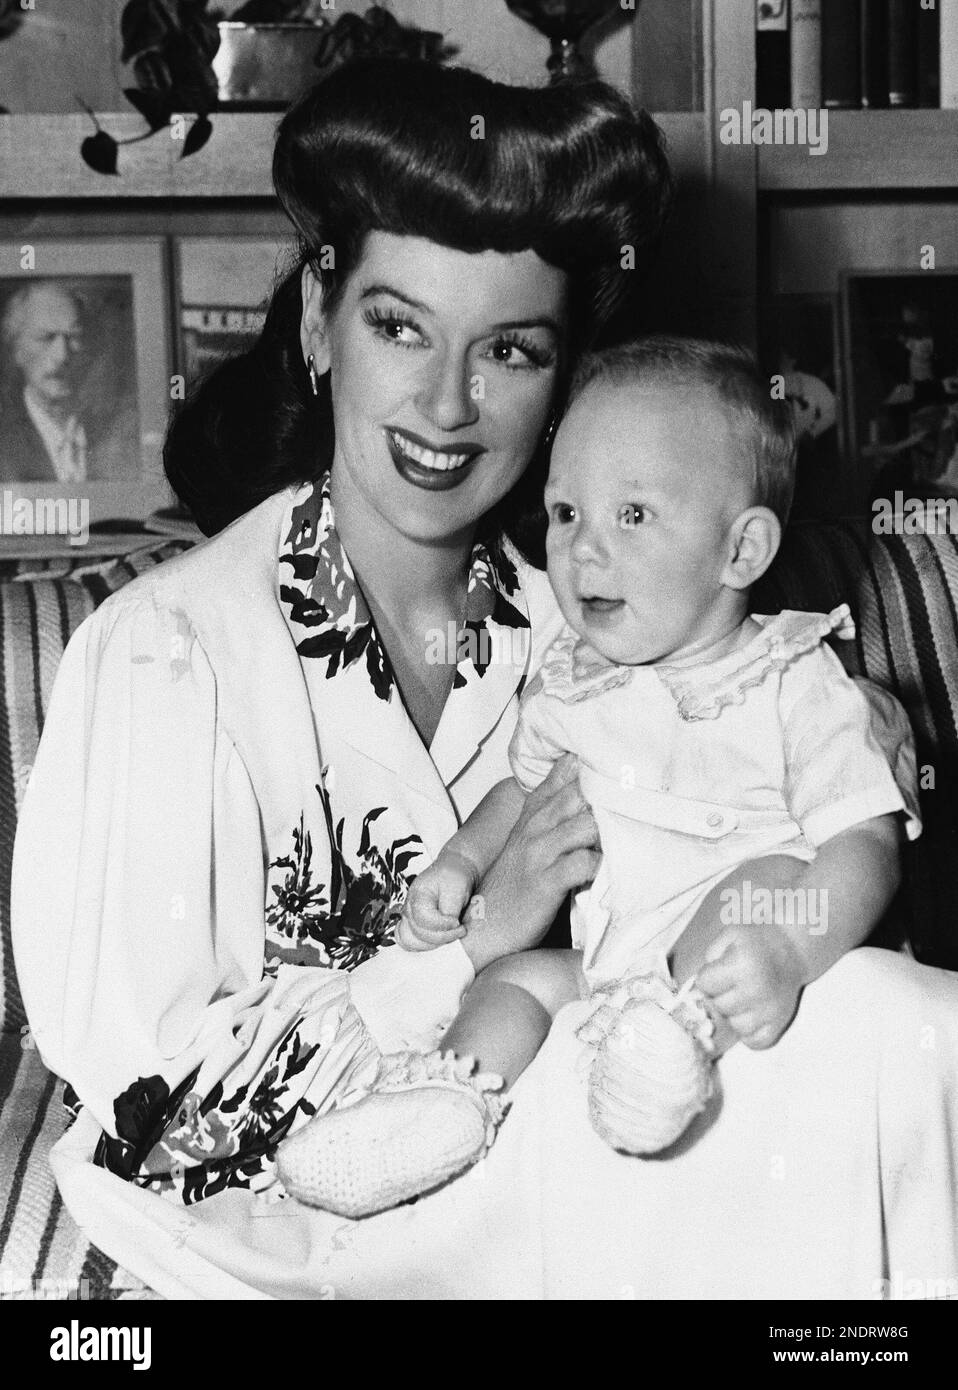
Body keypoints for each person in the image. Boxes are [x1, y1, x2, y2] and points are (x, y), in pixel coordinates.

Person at [10, 58, 957, 1301]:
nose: (447, 405)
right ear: (315, 322)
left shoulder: (595, 622)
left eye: (508, 350)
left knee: (891, 1027)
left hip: (621, 1138)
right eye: (398, 325)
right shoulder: (161, 654)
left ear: (566, 381)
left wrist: (845, 716)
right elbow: (151, 1103)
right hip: (319, 1219)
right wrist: (465, 949)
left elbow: (759, 759)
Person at [277, 338, 919, 1216]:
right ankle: (444, 1105)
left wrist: (787, 947)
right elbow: (519, 792)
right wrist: (462, 868)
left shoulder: (796, 683)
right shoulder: (578, 679)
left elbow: (866, 847)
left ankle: (678, 1042)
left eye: (634, 516)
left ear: (742, 551)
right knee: (514, 983)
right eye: (567, 512)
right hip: (606, 971)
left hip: (733, 967)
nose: (582, 552)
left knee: (761, 887)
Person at [0, 280, 139, 482]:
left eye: (74, 336)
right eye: (46, 338)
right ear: (16, 350)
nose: (62, 355)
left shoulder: (120, 431)